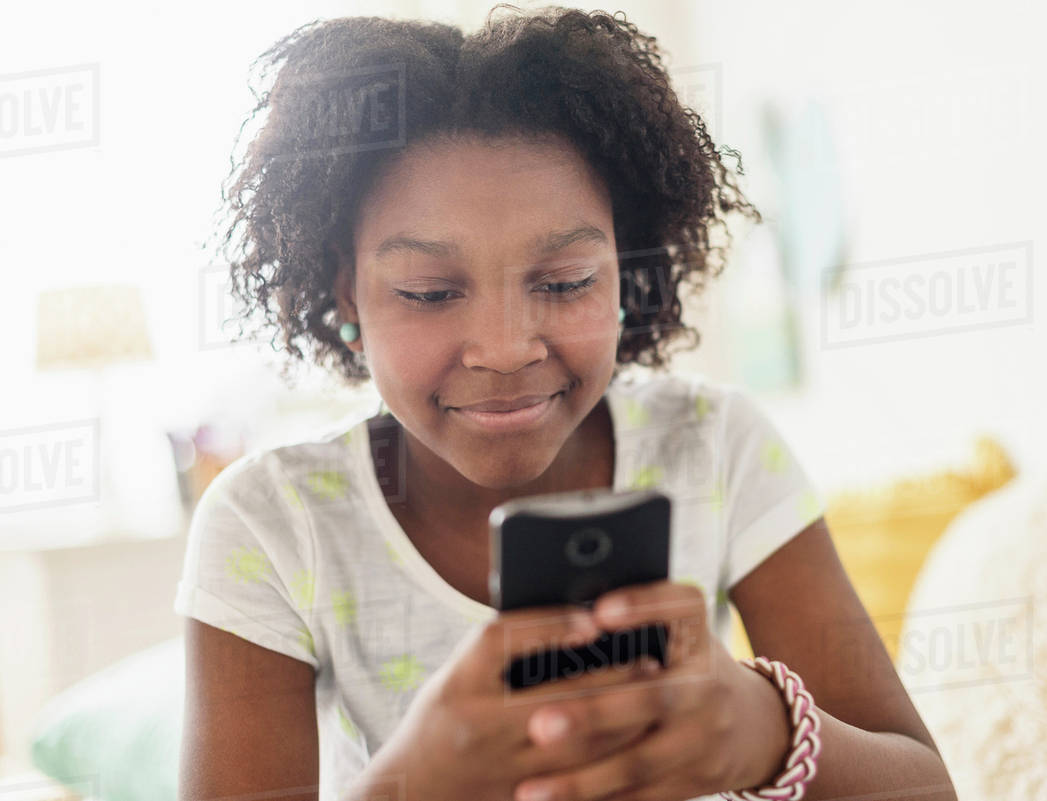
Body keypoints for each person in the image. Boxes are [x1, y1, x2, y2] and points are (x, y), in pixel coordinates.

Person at [175, 6, 956, 801]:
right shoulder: (274, 521)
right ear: (348, 292)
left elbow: (927, 789)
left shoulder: (714, 446)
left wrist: (768, 728)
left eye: (565, 282)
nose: (507, 347)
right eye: (431, 291)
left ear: (627, 269)